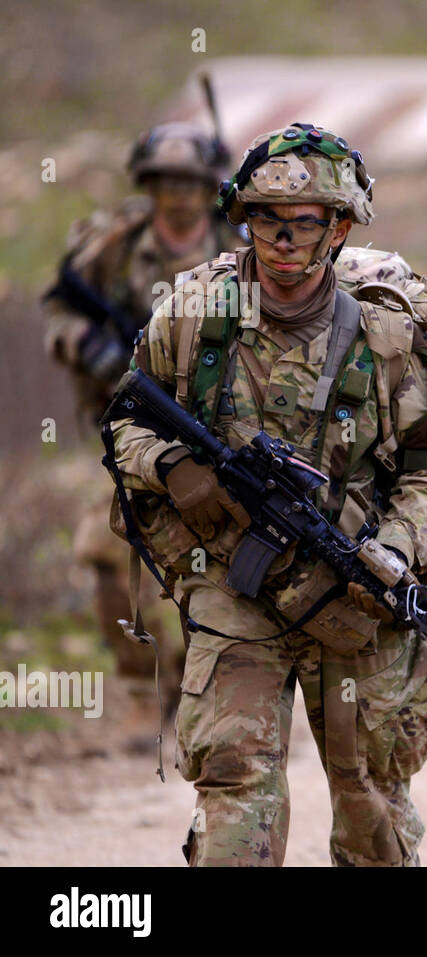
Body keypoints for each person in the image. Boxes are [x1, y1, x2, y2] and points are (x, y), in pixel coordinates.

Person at [107, 123, 427, 866]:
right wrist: (171, 464)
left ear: (338, 227)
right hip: (234, 591)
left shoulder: (390, 341)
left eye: (303, 222)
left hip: (356, 599)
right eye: (265, 219)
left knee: (373, 810)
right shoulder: (190, 318)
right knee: (237, 799)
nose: (281, 239)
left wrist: (394, 550)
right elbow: (122, 426)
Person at [43, 122, 243, 740]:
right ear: (147, 184)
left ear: (210, 185)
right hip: (129, 434)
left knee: (233, 563)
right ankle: (139, 688)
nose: (178, 194)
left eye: (189, 181)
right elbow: (60, 309)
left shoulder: (240, 245)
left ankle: (228, 697)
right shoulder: (115, 248)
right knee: (105, 554)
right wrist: (86, 345)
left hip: (223, 436)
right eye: (165, 181)